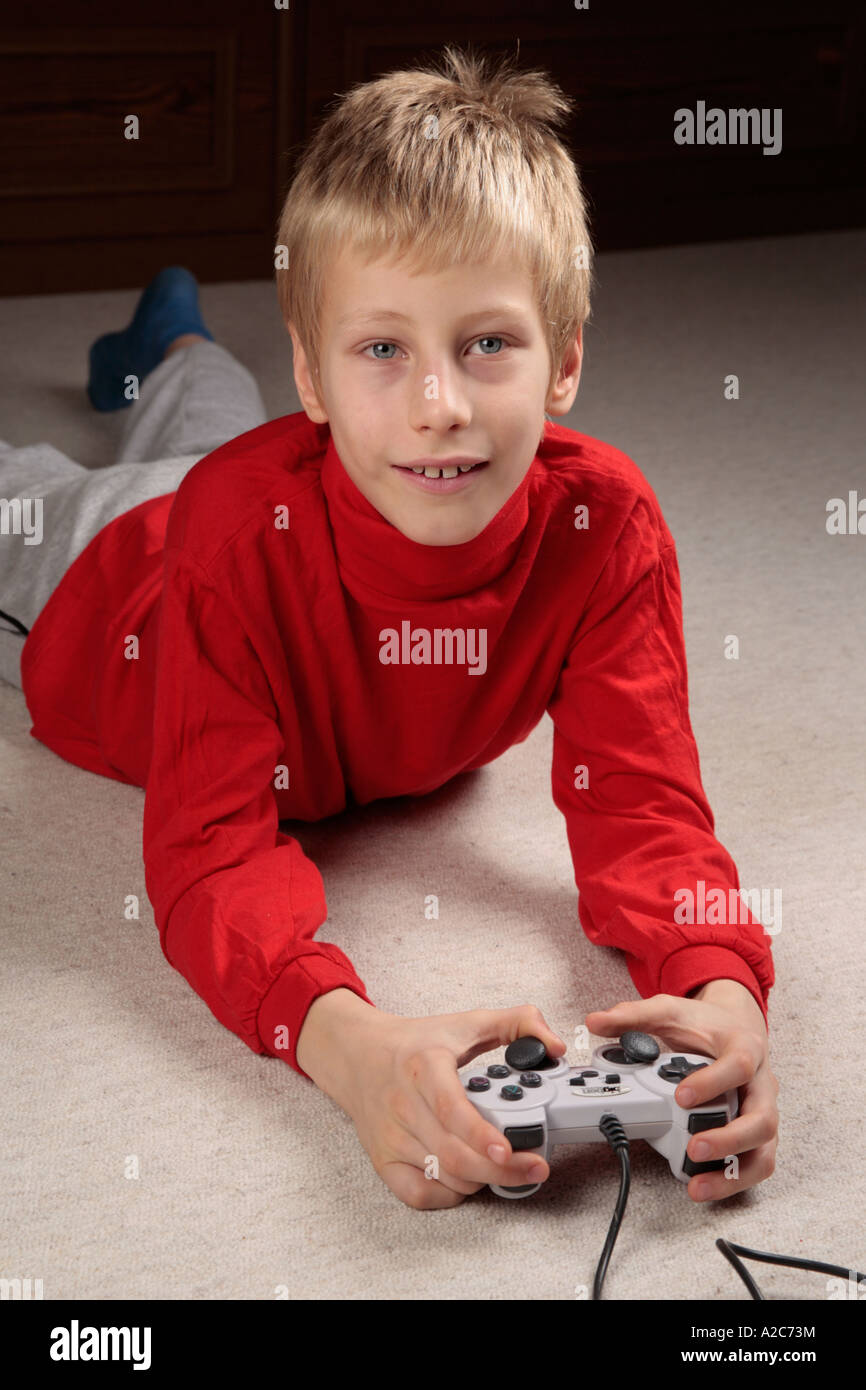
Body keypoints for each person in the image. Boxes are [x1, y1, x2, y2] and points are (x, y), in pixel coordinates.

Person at [0, 45, 779, 1211]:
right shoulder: (229, 536)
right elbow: (209, 849)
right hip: (113, 578)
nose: (438, 405)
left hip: (262, 479)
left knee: (209, 429)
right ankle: (167, 361)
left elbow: (643, 801)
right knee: (77, 485)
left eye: (486, 343)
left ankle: (170, 343)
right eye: (383, 349)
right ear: (314, 374)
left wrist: (721, 989)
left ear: (562, 360)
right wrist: (352, 1049)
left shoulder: (601, 523)